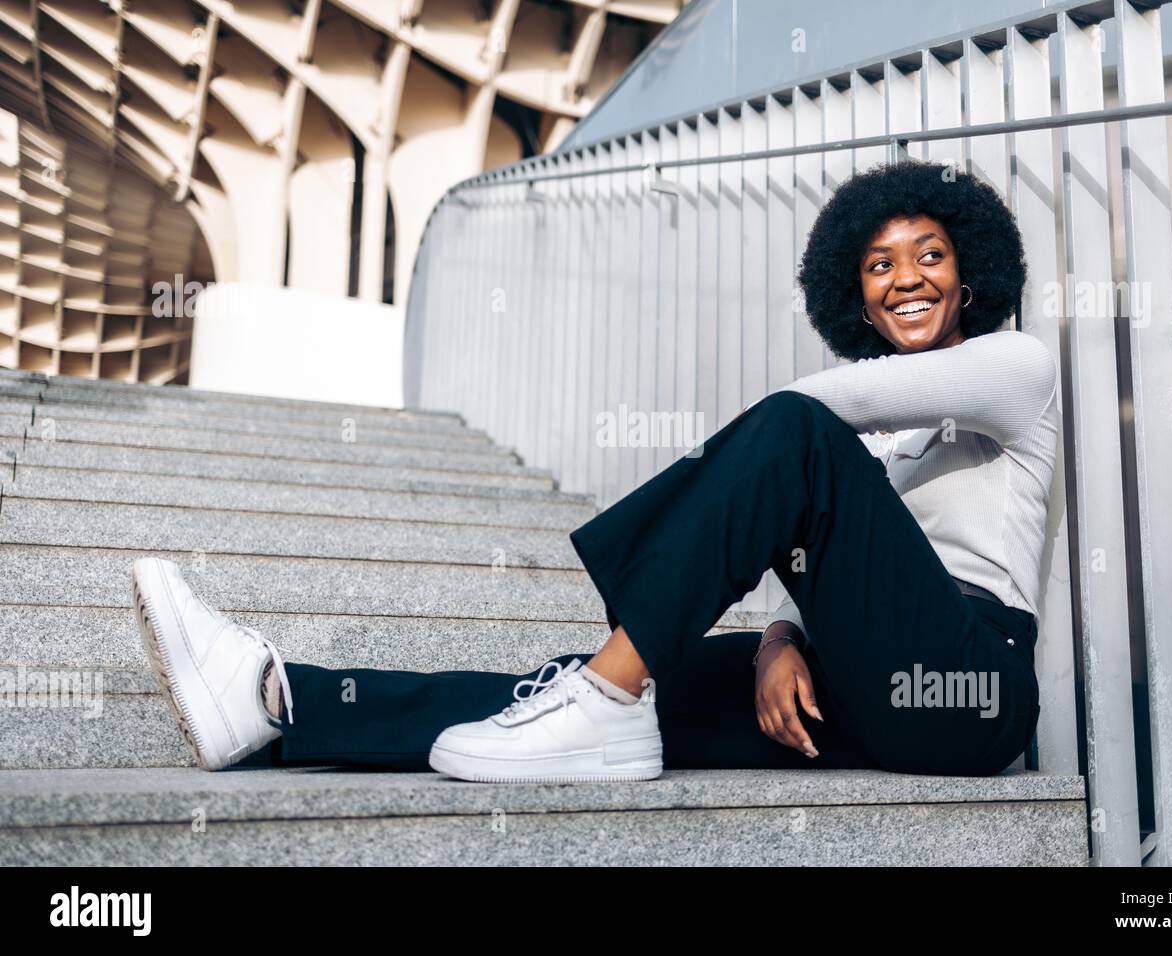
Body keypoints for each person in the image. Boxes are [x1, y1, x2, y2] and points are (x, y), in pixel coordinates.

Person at [131, 160, 1059, 783]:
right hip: (846, 688)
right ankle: (278, 701)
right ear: (852, 291)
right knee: (558, 691)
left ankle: (610, 689)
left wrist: (767, 456)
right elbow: (844, 564)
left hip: (970, 691)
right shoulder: (863, 446)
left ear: (969, 269)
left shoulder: (1017, 371)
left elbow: (823, 416)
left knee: (792, 430)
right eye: (878, 264)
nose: (906, 278)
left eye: (929, 255)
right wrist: (781, 642)